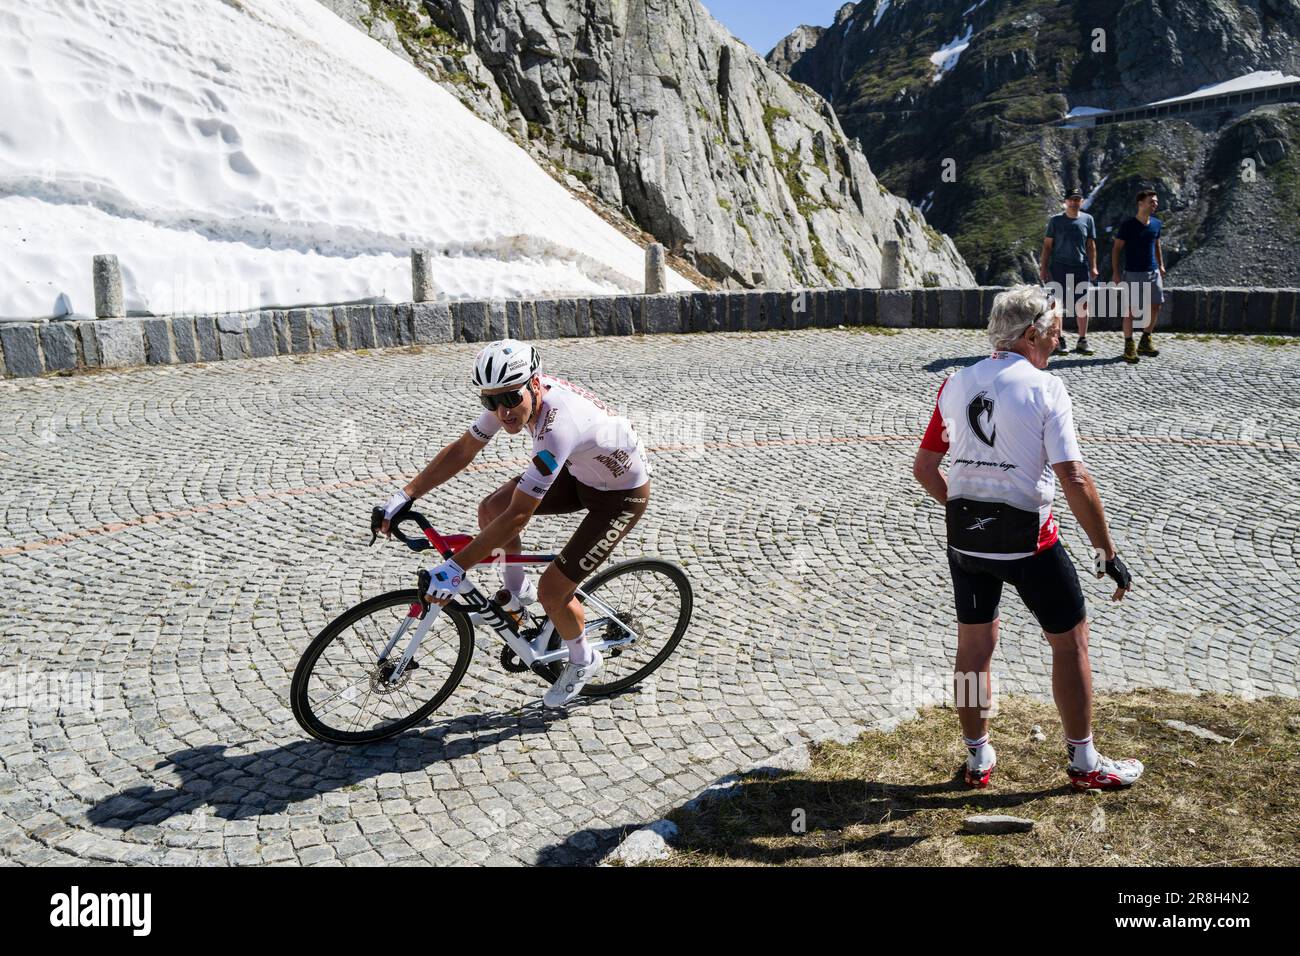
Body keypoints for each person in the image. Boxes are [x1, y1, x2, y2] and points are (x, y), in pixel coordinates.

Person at [911, 286, 1142, 791]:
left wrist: (965, 510)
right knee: (1071, 643)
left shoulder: (955, 383)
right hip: (1029, 543)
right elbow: (1074, 478)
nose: (1060, 340)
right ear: (1032, 333)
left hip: (966, 542)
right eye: (1056, 330)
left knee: (974, 646)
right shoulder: (1046, 388)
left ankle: (977, 759)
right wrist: (1107, 550)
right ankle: (1084, 762)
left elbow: (925, 469)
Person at [377, 339, 652, 708]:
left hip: (620, 497)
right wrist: (405, 495)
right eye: (489, 401)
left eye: (509, 399)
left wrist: (455, 568)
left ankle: (584, 660)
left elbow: (520, 515)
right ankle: (516, 596)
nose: (502, 411)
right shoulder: (511, 396)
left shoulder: (557, 427)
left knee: (553, 590)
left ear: (534, 385)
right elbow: (464, 450)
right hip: (580, 474)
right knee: (491, 508)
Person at [1039, 187, 1098, 356]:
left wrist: (1093, 266)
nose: (1074, 202)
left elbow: (1091, 245)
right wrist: (1043, 268)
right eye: (1071, 199)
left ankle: (1082, 339)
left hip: (1081, 266)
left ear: (1082, 202)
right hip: (1059, 266)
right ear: (1065, 202)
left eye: (1077, 199)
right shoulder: (1055, 221)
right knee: (1057, 304)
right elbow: (1047, 246)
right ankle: (1060, 339)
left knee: (1083, 303)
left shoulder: (1088, 219)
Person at [1112, 189, 1166, 364]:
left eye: (1156, 202)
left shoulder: (1157, 224)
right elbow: (1117, 249)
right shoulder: (1128, 225)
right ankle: (1129, 345)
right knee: (1130, 310)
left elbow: (1156, 244)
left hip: (1153, 271)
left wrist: (1161, 264)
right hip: (1133, 272)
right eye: (1151, 201)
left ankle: (1145, 340)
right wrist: (1116, 272)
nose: (1155, 204)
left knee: (1156, 305)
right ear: (1140, 203)